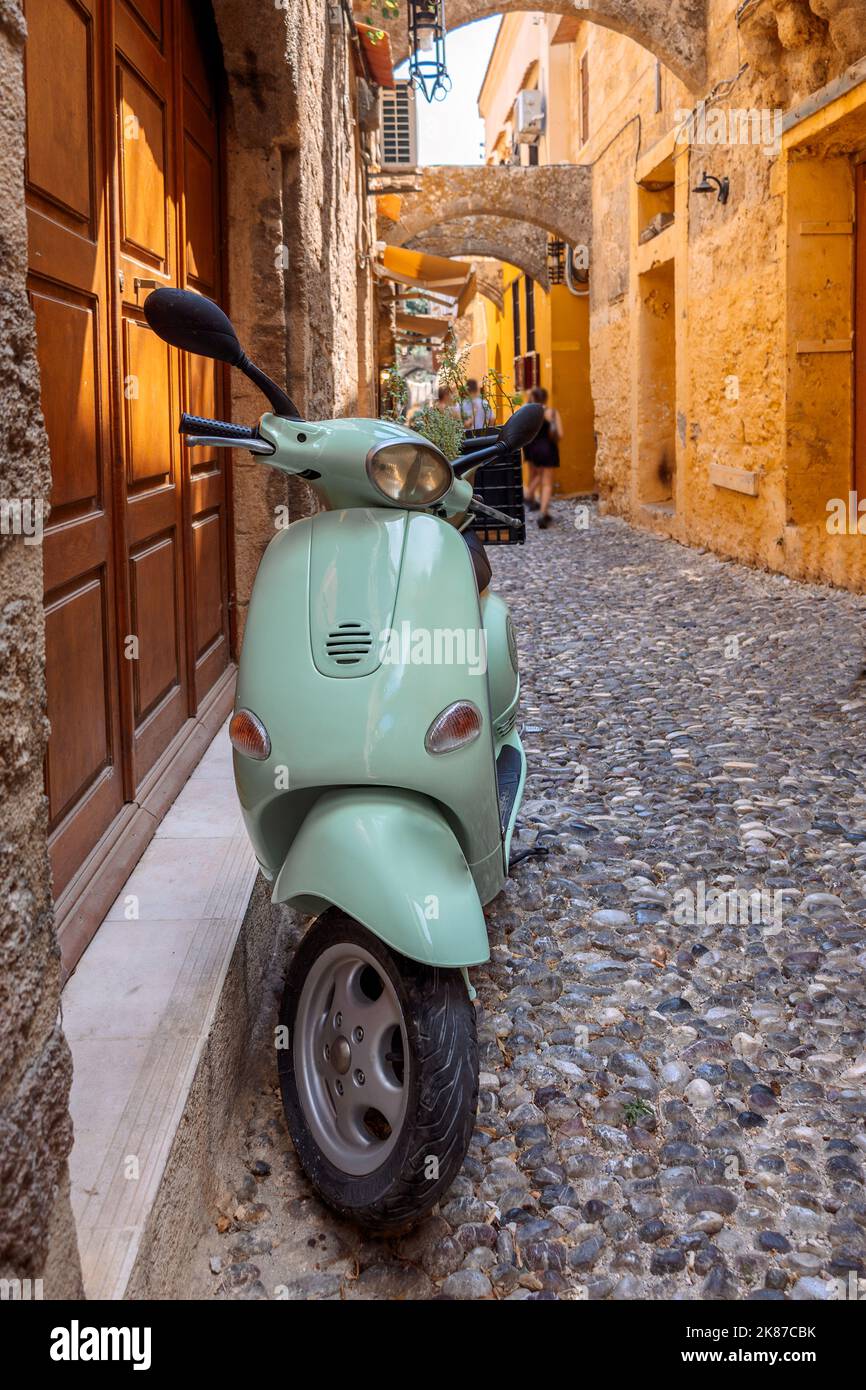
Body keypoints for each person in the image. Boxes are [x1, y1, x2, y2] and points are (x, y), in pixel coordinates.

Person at [523, 386, 563, 529]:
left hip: (535, 450)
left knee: (539, 477)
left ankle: (530, 496)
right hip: (548, 449)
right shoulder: (551, 413)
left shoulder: (532, 414)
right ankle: (543, 513)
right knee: (547, 483)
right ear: (546, 398)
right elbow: (561, 434)